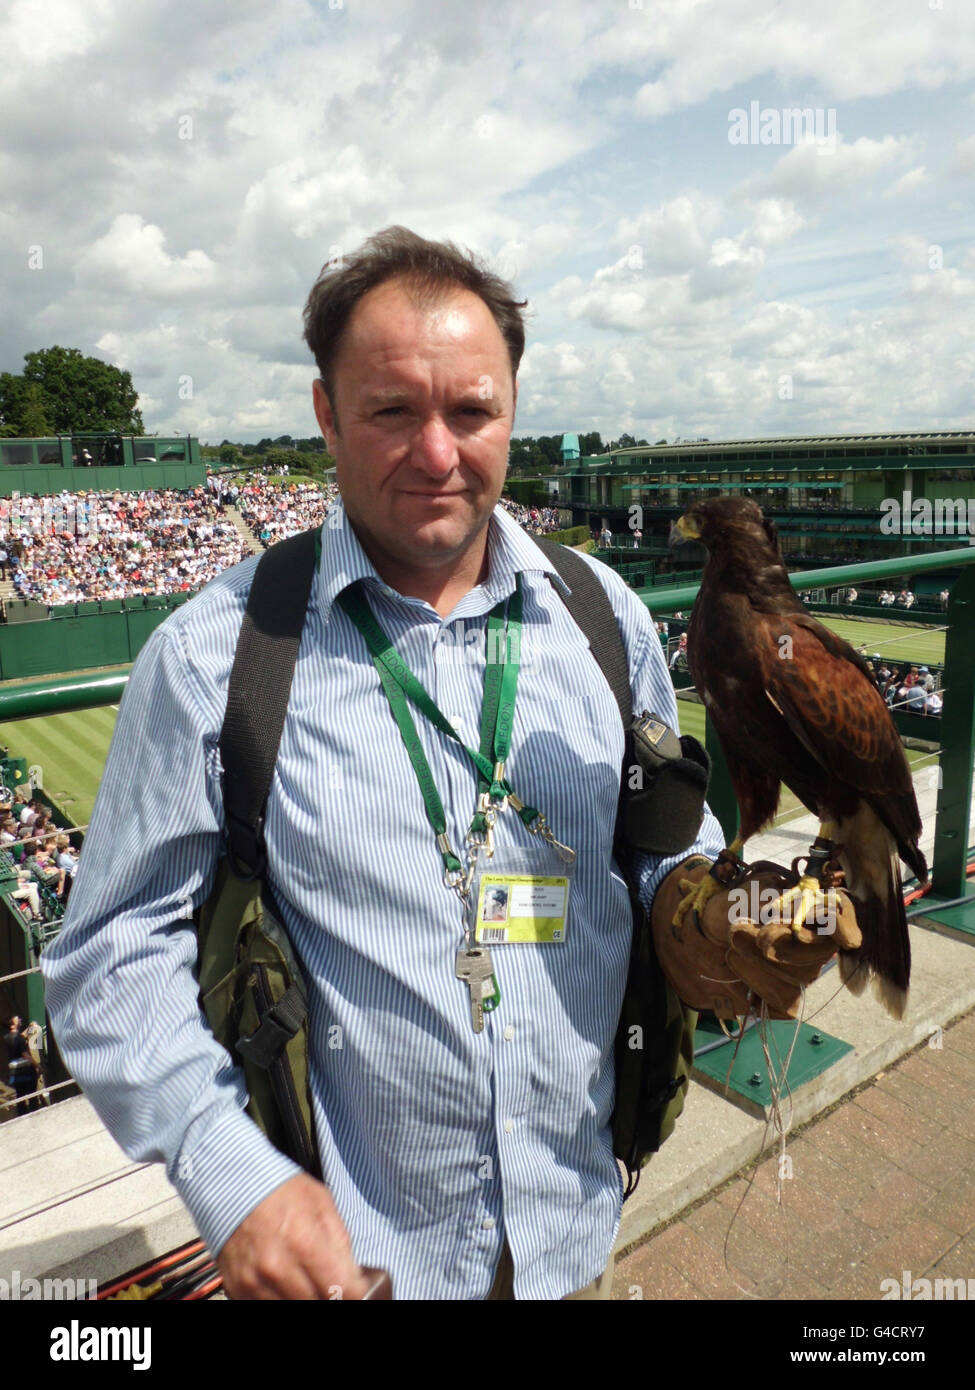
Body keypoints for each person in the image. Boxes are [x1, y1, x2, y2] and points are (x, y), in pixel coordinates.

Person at [43, 227, 726, 1301]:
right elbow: (109, 950)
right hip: (361, 1264)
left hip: (577, 1221)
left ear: (514, 408)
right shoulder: (210, 656)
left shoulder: (608, 616)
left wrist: (710, 907)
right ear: (326, 413)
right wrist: (231, 1174)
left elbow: (663, 842)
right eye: (393, 411)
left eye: (472, 412)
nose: (438, 453)